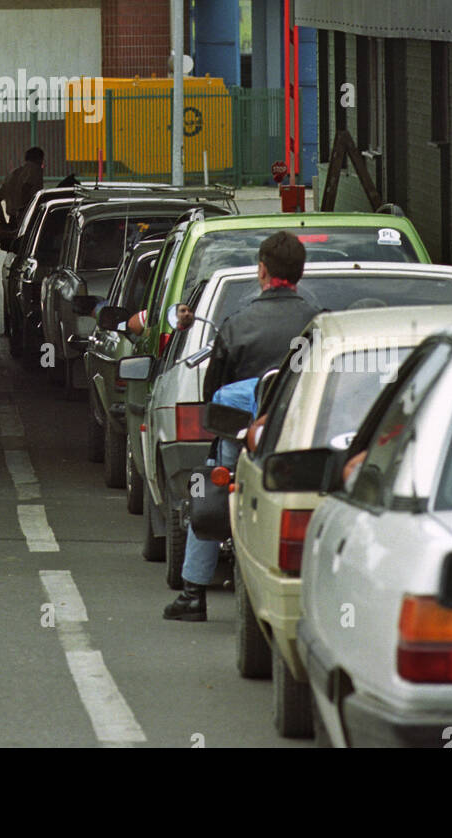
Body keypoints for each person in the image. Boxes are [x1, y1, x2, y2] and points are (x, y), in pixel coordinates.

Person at [164, 230, 320, 623]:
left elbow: (212, 388)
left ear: (262, 271)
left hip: (241, 436)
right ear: (300, 272)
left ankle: (193, 593)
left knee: (210, 486)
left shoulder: (236, 323)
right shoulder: (320, 322)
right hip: (301, 437)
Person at [0, 146, 45, 230]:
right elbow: (26, 188)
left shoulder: (13, 174)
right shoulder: (36, 170)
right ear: (39, 159)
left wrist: (3, 224)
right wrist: (24, 211)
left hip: (12, 222)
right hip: (28, 221)